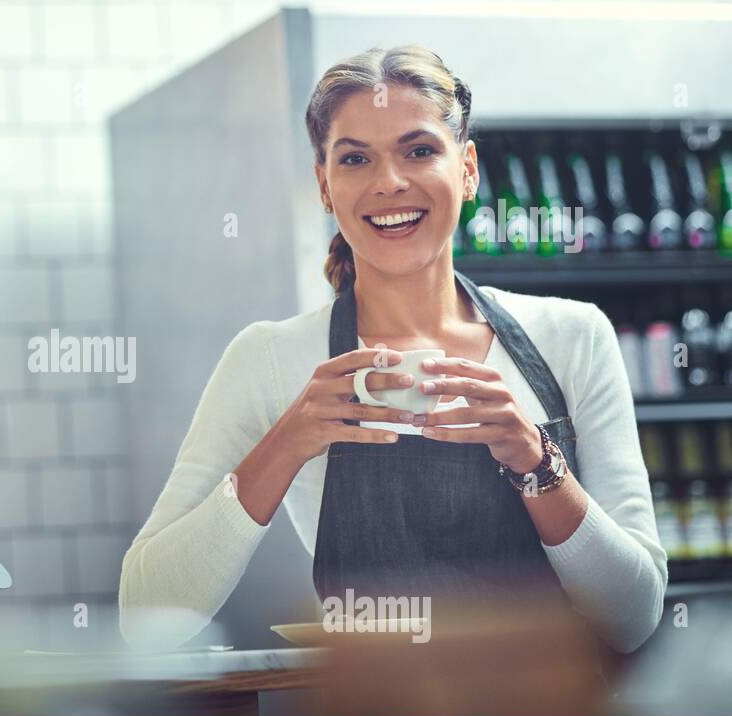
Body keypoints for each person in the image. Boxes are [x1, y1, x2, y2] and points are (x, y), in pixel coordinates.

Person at [118, 46, 666, 657]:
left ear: (468, 168)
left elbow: (634, 617)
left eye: (419, 150)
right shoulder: (269, 358)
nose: (389, 183)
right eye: (355, 158)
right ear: (325, 185)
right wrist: (289, 440)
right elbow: (146, 617)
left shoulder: (573, 335)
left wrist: (536, 463)